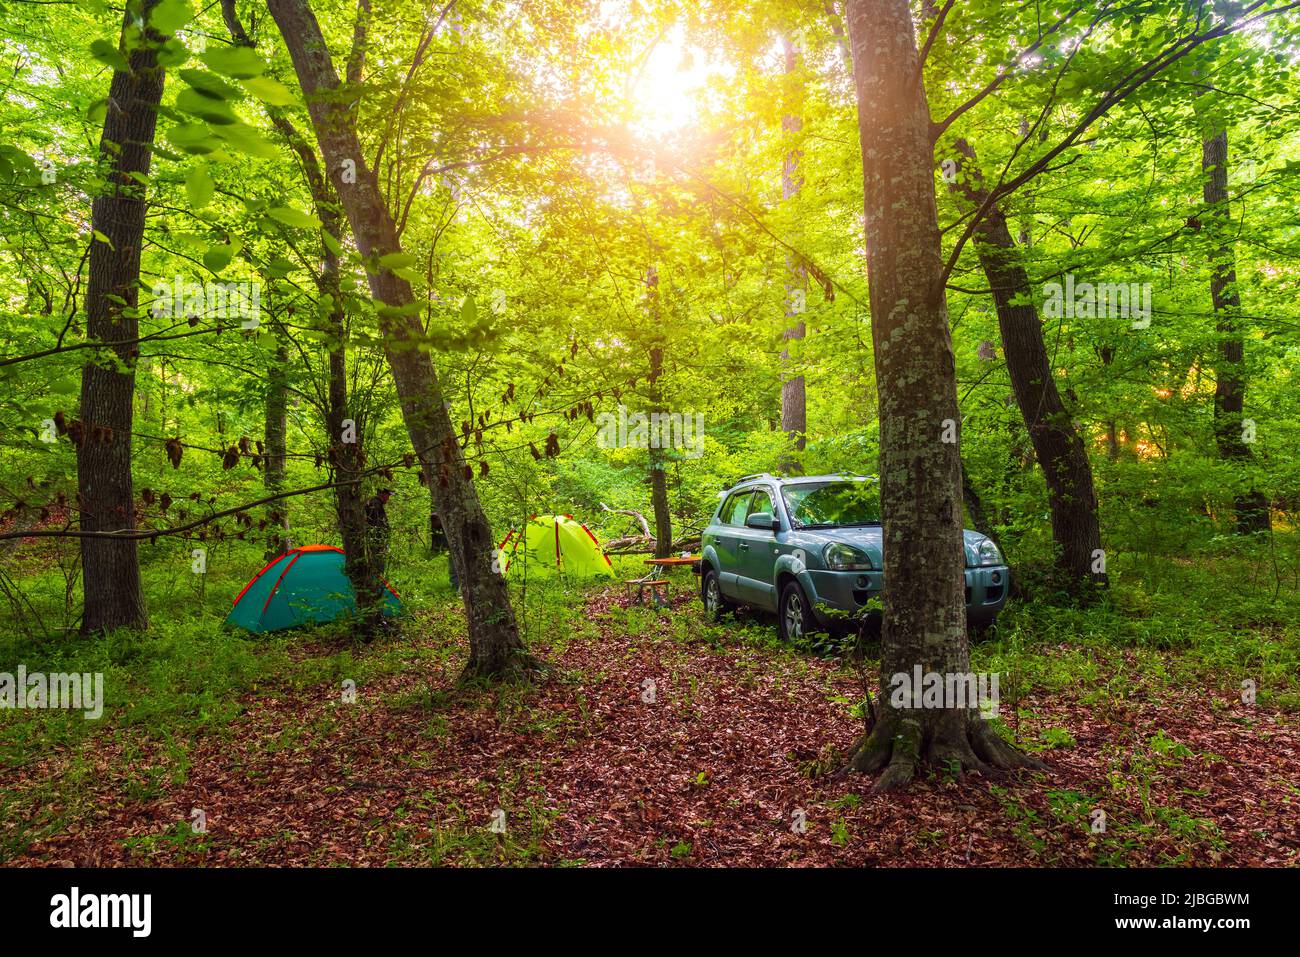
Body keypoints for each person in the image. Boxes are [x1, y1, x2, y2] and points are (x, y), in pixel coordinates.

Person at [364, 488, 393, 581]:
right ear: (382, 494)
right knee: (378, 555)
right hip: (377, 537)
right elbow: (376, 522)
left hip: (377, 536)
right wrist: (382, 535)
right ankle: (377, 576)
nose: (388, 498)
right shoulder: (375, 503)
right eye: (388, 495)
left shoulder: (376, 503)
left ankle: (377, 575)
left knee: (378, 555)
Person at [431, 510, 459, 591]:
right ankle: (455, 587)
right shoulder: (442, 526)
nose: (433, 524)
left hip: (457, 548)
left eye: (434, 521)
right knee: (453, 569)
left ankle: (456, 587)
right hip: (452, 549)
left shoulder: (449, 523)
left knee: (454, 568)